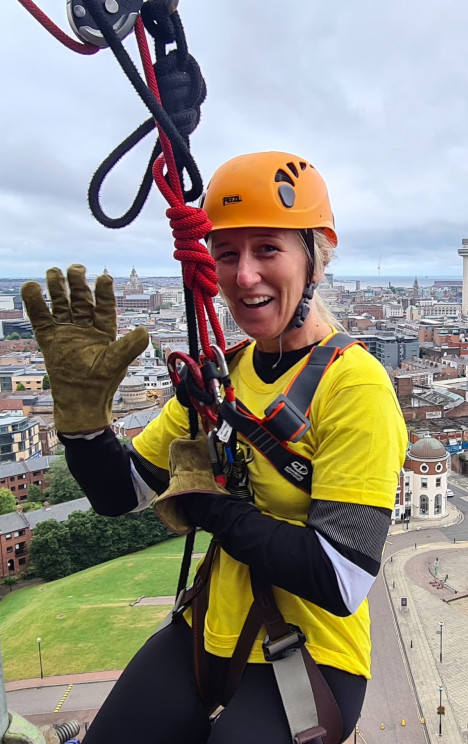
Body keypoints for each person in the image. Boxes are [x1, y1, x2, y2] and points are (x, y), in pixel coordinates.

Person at [23, 151, 405, 744]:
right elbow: (121, 494)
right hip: (207, 626)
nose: (245, 275)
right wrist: (84, 425)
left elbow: (340, 576)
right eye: (227, 254)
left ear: (316, 258)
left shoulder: (354, 386)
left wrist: (208, 507)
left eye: (267, 249)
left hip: (312, 651)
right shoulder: (221, 374)